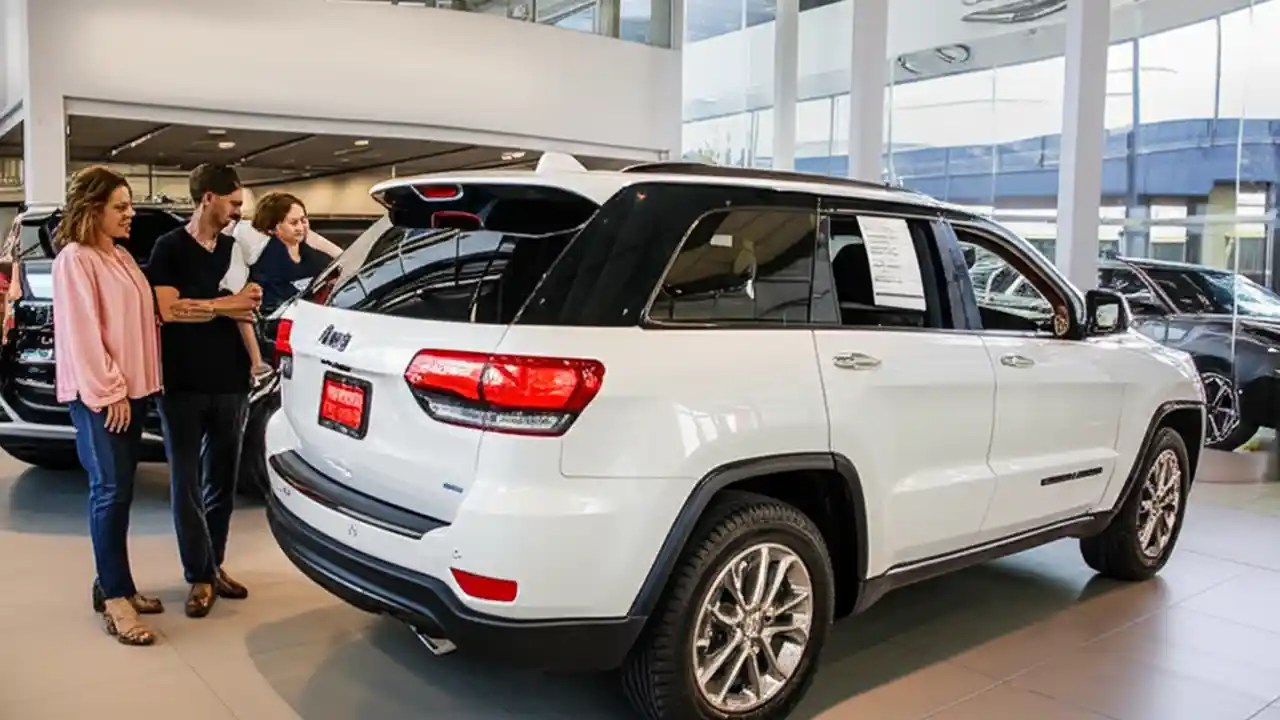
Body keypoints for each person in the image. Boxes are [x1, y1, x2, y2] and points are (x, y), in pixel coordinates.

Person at [52, 166, 213, 645]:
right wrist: (110, 390)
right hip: (105, 396)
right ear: (92, 209)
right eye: (120, 207)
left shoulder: (118, 256)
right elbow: (83, 332)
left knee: (118, 492)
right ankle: (116, 600)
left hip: (134, 391)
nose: (130, 214)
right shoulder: (76, 260)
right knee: (110, 491)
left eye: (129, 206)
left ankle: (114, 584)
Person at [147, 163, 262, 619]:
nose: (238, 211)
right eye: (233, 202)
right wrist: (225, 305)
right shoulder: (168, 248)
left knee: (222, 479)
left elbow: (249, 306)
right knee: (187, 483)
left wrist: (212, 306)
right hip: (182, 383)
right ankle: (197, 573)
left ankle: (214, 565)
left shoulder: (234, 250)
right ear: (208, 197)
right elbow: (171, 311)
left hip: (231, 382)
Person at [249, 192, 336, 312]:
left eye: (303, 220)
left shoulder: (320, 259)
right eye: (293, 223)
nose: (300, 228)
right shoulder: (264, 268)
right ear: (272, 228)